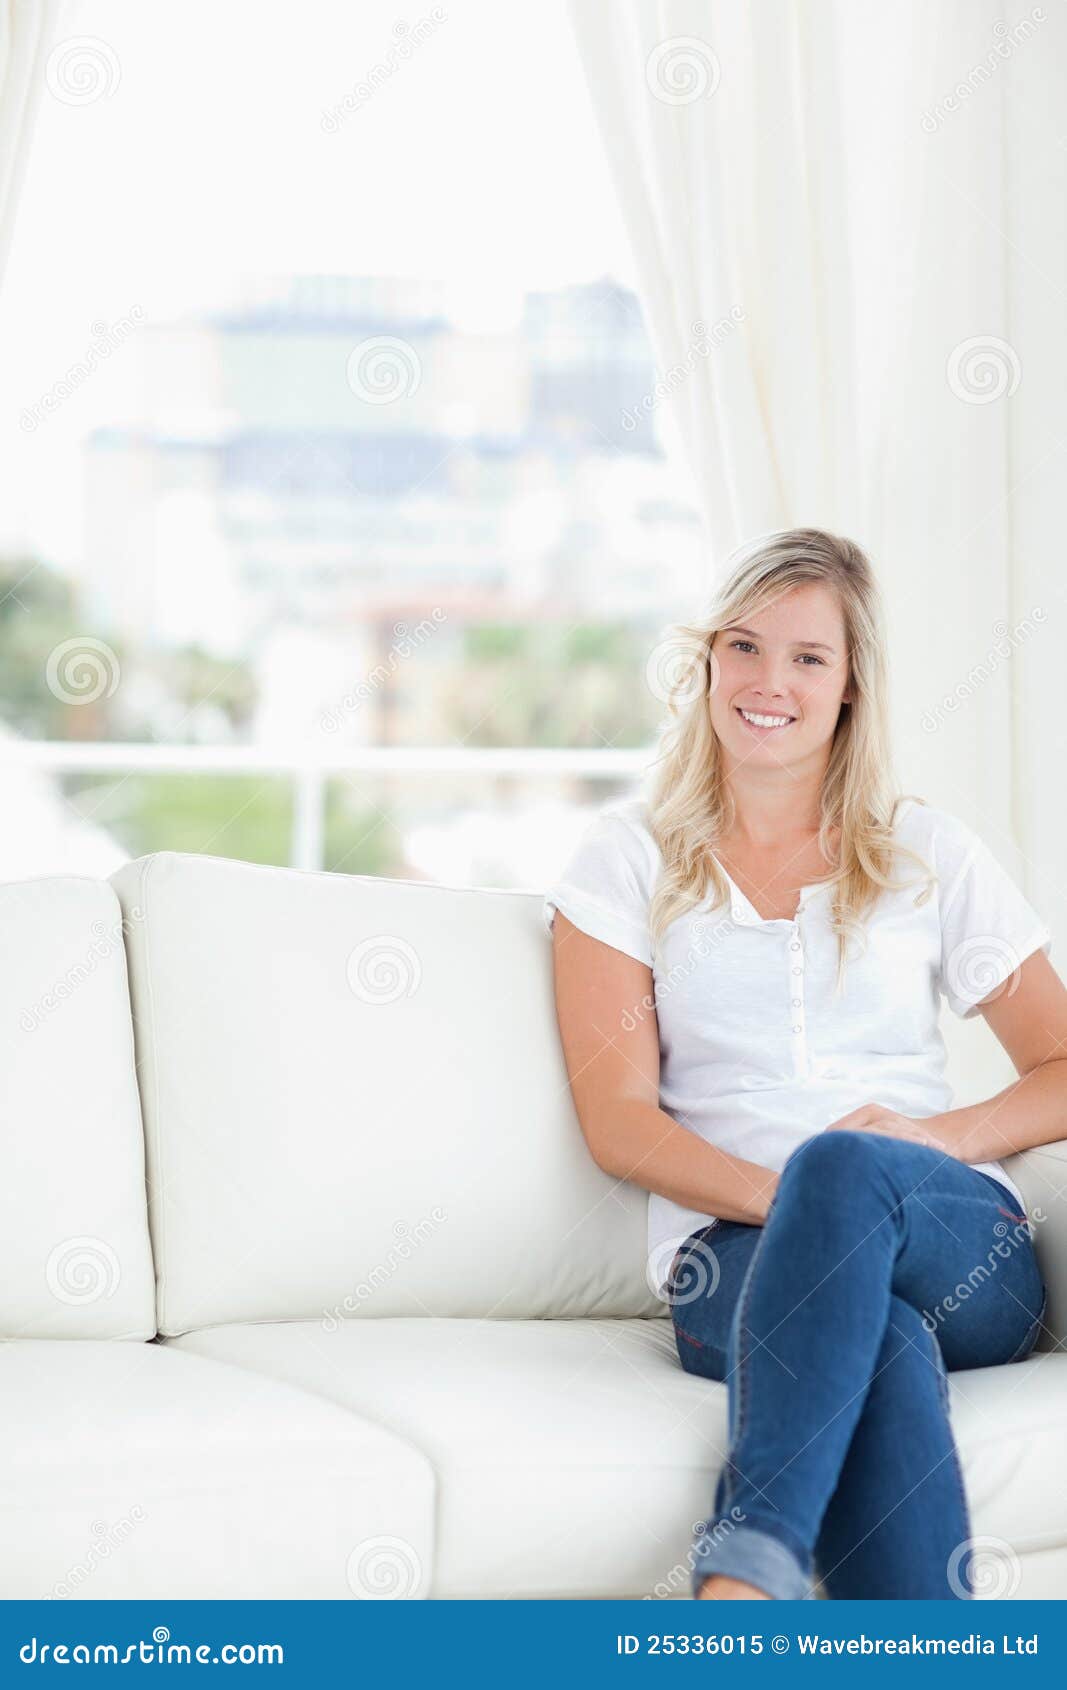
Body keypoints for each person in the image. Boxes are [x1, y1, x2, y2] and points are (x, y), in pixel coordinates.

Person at [544, 527, 1067, 1600]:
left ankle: (740, 1579)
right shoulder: (626, 858)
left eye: (806, 657)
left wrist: (922, 1143)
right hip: (728, 1255)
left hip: (950, 1238)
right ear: (706, 662)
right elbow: (619, 1120)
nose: (767, 682)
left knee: (846, 1168)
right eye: (741, 646)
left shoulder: (925, 851)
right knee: (876, 1334)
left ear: (849, 684)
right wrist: (810, 1208)